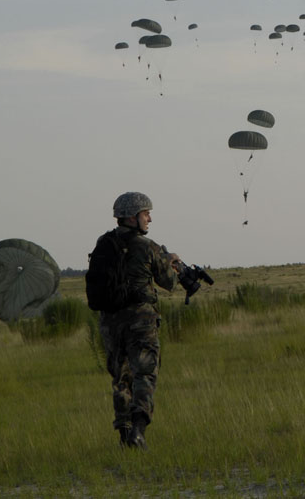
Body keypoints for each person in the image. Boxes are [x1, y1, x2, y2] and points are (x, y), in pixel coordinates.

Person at [94, 192, 180, 449]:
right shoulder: (147, 247)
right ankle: (139, 431)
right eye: (146, 214)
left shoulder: (104, 244)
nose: (149, 219)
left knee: (121, 378)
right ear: (132, 217)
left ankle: (124, 434)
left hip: (110, 323)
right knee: (144, 374)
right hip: (141, 321)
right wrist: (172, 263)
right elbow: (169, 283)